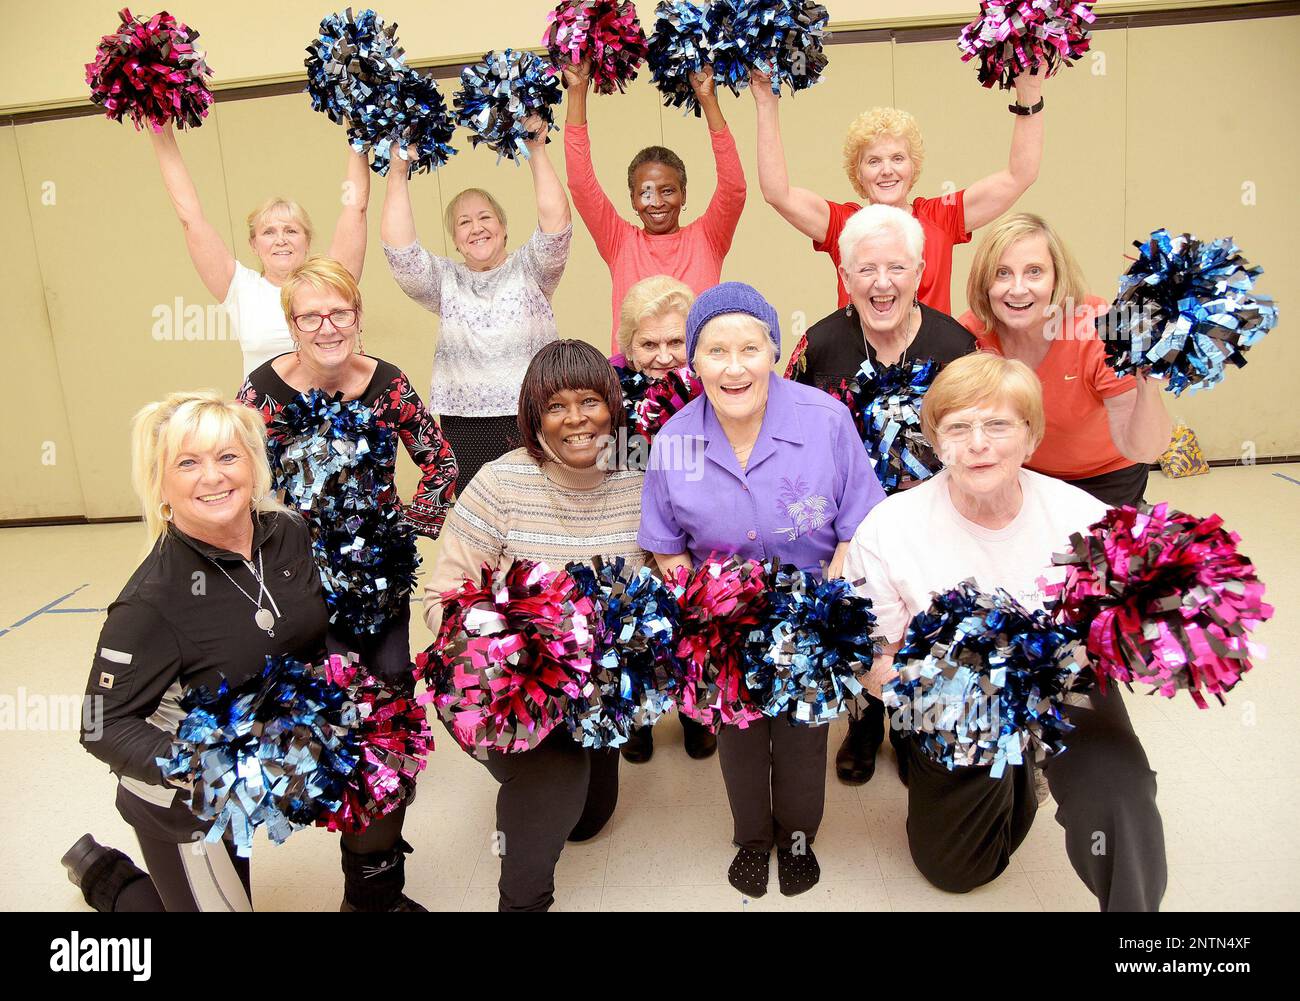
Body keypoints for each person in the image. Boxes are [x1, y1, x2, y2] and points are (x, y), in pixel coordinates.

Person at [844, 353, 1167, 911]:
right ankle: (1015, 779)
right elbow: (872, 655)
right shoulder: (890, 525)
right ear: (935, 441)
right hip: (954, 705)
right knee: (954, 870)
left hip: (1066, 688)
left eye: (998, 425)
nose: (978, 444)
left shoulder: (1083, 517)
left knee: (1118, 788)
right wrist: (935, 694)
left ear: (1030, 436)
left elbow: (1136, 630)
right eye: (958, 427)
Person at [638, 283, 885, 898]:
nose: (734, 366)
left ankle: (798, 836)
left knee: (802, 740)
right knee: (740, 737)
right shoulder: (674, 440)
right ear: (693, 361)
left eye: (750, 348)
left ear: (773, 351)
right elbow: (666, 546)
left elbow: (860, 523)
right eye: (715, 351)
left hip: (809, 613)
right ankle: (751, 837)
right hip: (724, 625)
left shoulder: (825, 420)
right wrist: (707, 609)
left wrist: (825, 606)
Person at [238, 256, 459, 910]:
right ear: (293, 324)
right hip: (297, 581)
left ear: (357, 318)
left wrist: (404, 524)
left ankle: (373, 888)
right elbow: (234, 481)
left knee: (389, 697)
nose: (327, 325)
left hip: (375, 577)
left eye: (339, 312)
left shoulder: (387, 383)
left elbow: (440, 464)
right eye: (312, 315)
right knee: (328, 717)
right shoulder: (260, 392)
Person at [67, 391, 324, 911]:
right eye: (187, 463)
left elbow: (304, 634)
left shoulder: (289, 535)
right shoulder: (151, 601)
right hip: (185, 801)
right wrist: (204, 766)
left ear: (253, 465)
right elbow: (100, 722)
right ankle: (102, 873)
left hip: (256, 772)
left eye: (227, 456)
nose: (213, 477)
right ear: (160, 485)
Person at [425, 340, 647, 912]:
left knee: (587, 821)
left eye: (591, 401)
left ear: (614, 406)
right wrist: (509, 639)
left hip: (599, 690)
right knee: (555, 778)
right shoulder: (501, 482)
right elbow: (439, 596)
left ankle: (566, 773)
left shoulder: (642, 469)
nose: (576, 420)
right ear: (533, 415)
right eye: (556, 406)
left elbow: (677, 565)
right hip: (512, 689)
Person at [789, 203, 974, 786]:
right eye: (866, 270)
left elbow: (979, 436)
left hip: (936, 515)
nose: (882, 283)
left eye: (896, 267)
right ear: (845, 277)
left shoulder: (955, 345)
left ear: (919, 271)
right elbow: (791, 434)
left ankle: (922, 721)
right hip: (848, 522)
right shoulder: (818, 347)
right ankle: (865, 719)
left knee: (930, 612)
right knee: (862, 618)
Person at [748, 65, 1046, 370]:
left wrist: (1029, 95)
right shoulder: (844, 225)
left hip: (933, 373)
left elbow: (1019, 176)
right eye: (874, 161)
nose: (887, 170)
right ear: (858, 173)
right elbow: (777, 193)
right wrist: (766, 102)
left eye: (897, 159)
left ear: (913, 167)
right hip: (858, 375)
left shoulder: (941, 216)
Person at [382, 115, 573, 488]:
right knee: (481, 529)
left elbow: (556, 226)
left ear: (503, 228)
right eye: (464, 222)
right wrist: (397, 170)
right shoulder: (445, 281)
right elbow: (400, 253)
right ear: (455, 240)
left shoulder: (531, 268)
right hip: (466, 426)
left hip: (534, 415)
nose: (476, 227)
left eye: (485, 217)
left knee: (542, 518)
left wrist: (535, 148)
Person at [958, 213, 1172, 507]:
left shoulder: (1102, 327)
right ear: (984, 282)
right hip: (1020, 474)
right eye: (1002, 273)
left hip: (1104, 477)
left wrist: (1148, 386)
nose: (1018, 288)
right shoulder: (970, 333)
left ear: (1057, 277)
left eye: (1034, 271)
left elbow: (1146, 452)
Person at [147, 122, 370, 378]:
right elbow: (190, 219)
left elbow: (356, 209)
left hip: (332, 413)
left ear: (307, 241)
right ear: (254, 244)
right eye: (269, 232)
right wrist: (159, 130)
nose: (281, 240)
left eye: (291, 231)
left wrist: (358, 127)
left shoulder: (332, 280)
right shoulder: (240, 287)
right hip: (261, 416)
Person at [563, 57, 746, 352]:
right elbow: (581, 186)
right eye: (645, 192)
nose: (656, 202)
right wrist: (577, 92)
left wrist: (708, 100)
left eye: (668, 190)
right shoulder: (619, 241)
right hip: (634, 384)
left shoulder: (708, 237)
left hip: (699, 382)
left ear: (684, 195)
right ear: (633, 200)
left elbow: (734, 188)